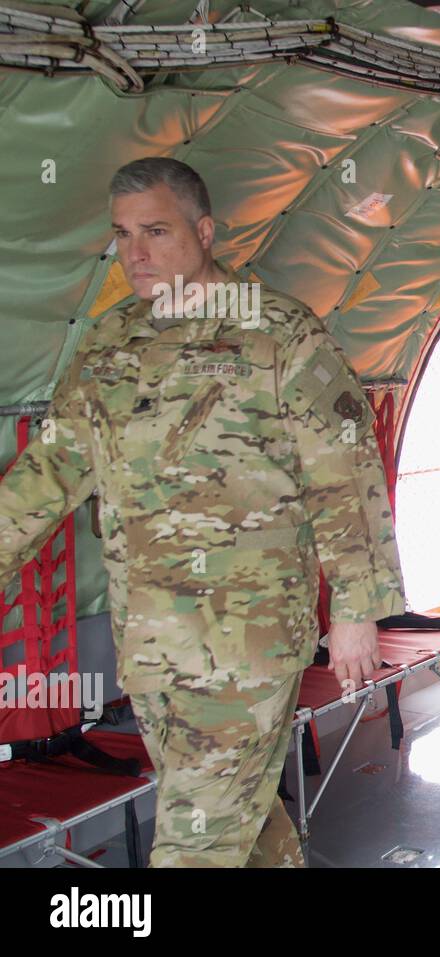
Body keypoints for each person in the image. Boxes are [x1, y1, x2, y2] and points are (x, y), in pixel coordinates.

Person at [0, 157, 405, 865]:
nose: (137, 253)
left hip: (243, 643)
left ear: (206, 230)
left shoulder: (277, 332)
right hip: (150, 644)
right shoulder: (108, 344)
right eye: (123, 234)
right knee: (237, 819)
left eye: (157, 230)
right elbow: (49, 471)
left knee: (196, 841)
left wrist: (355, 607)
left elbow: (345, 469)